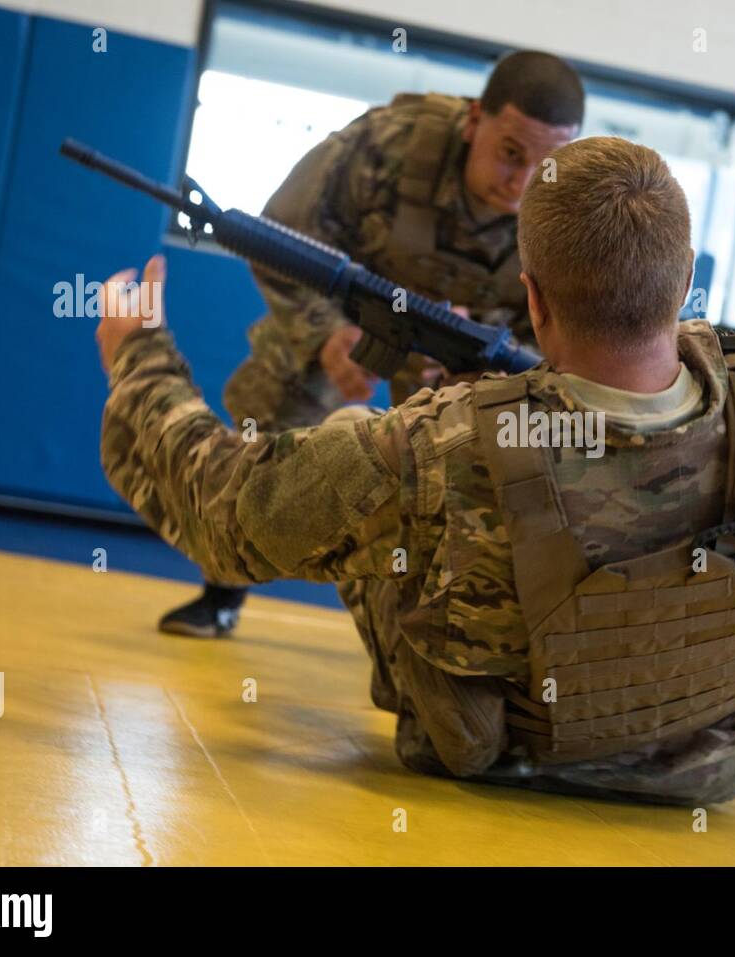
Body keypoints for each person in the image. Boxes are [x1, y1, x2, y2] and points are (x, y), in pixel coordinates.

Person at [95, 137, 735, 805]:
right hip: (718, 765)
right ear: (684, 280)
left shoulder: (441, 445)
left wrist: (140, 357)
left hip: (505, 757)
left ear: (533, 296)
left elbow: (230, 514)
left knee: (361, 445)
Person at [160, 50, 584, 638]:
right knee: (270, 426)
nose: (523, 181)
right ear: (471, 121)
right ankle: (221, 591)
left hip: (471, 352)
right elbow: (281, 236)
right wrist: (324, 332)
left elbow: (570, 336)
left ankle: (443, 633)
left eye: (545, 164)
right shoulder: (388, 143)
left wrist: (489, 362)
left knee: (483, 469)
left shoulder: (569, 204)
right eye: (511, 154)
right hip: (356, 313)